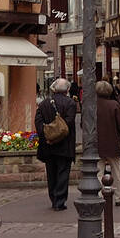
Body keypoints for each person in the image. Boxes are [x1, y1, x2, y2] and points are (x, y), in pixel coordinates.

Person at [35, 78, 78, 211]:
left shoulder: (44, 104)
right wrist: (58, 134)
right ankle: (60, 201)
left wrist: (48, 135)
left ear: (54, 88)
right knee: (63, 173)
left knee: (51, 173)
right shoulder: (70, 103)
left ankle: (53, 198)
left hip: (48, 145)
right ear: (67, 90)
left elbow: (38, 123)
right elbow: (69, 123)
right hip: (64, 145)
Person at [95, 80, 120, 205]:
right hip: (112, 142)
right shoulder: (114, 105)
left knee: (98, 172)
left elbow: (85, 124)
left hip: (97, 143)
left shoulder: (92, 105)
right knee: (116, 171)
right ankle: (119, 197)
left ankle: (98, 197)